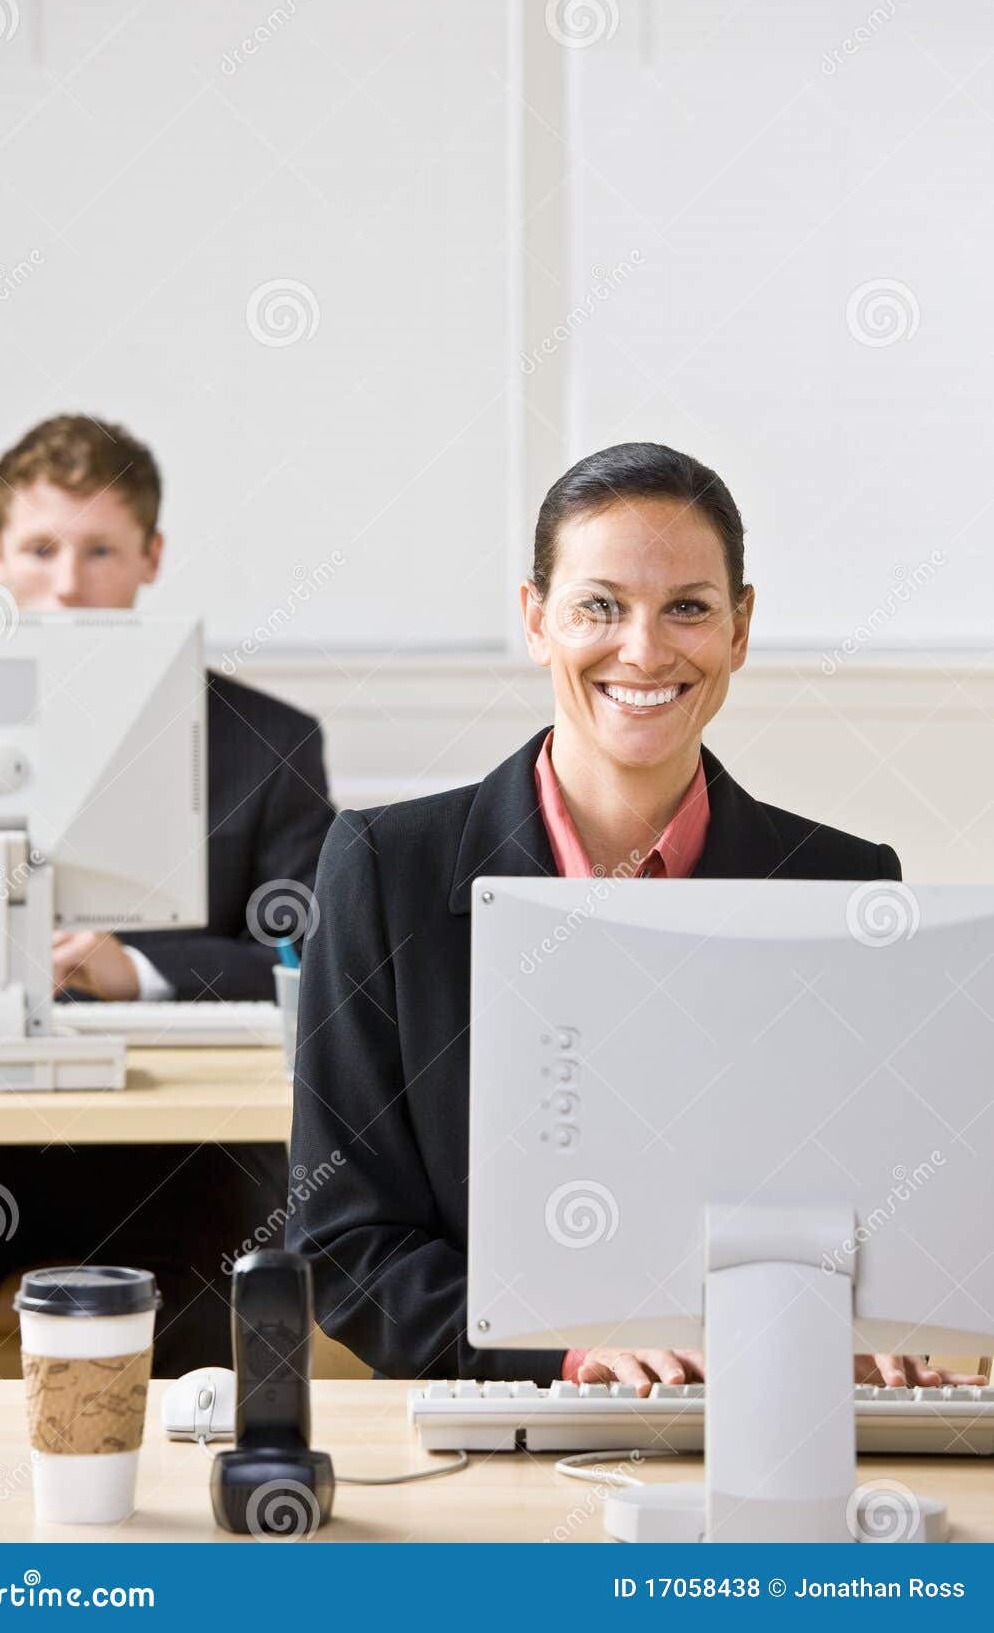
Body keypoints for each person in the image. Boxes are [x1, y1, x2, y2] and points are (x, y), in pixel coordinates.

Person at [288, 440, 982, 1394]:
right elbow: (345, 1245)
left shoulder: (844, 883)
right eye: (599, 607)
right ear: (536, 621)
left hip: (780, 1408)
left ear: (740, 629)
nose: (645, 651)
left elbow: (884, 1218)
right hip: (502, 1424)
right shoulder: (382, 870)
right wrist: (572, 1353)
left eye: (687, 607)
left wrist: (889, 1326)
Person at [0, 414, 334, 1380]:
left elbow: (309, 962)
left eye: (99, 551)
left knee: (231, 1275)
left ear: (151, 557)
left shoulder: (266, 742)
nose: (68, 584)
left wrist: (140, 972)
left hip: (179, 1147)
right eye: (40, 549)